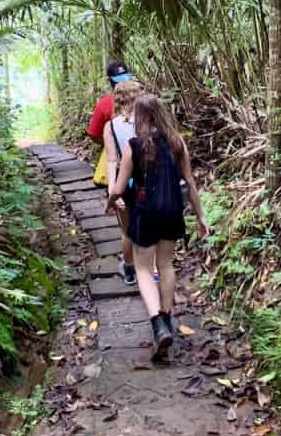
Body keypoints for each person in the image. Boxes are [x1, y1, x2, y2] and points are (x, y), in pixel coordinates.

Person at [107, 94, 208, 359]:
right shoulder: (177, 143)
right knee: (165, 265)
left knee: (143, 268)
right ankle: (165, 316)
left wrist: (110, 202)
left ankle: (158, 324)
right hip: (172, 211)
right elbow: (190, 183)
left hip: (145, 213)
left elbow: (119, 187)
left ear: (139, 117)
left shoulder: (134, 145)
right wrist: (200, 216)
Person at [103, 79, 145, 285]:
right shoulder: (148, 122)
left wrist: (112, 190)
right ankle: (150, 269)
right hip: (148, 178)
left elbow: (112, 160)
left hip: (124, 181)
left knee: (127, 230)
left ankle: (129, 271)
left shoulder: (110, 126)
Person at [87, 60, 135, 146]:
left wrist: (110, 144)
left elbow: (93, 134)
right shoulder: (143, 98)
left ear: (110, 81)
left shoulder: (103, 103)